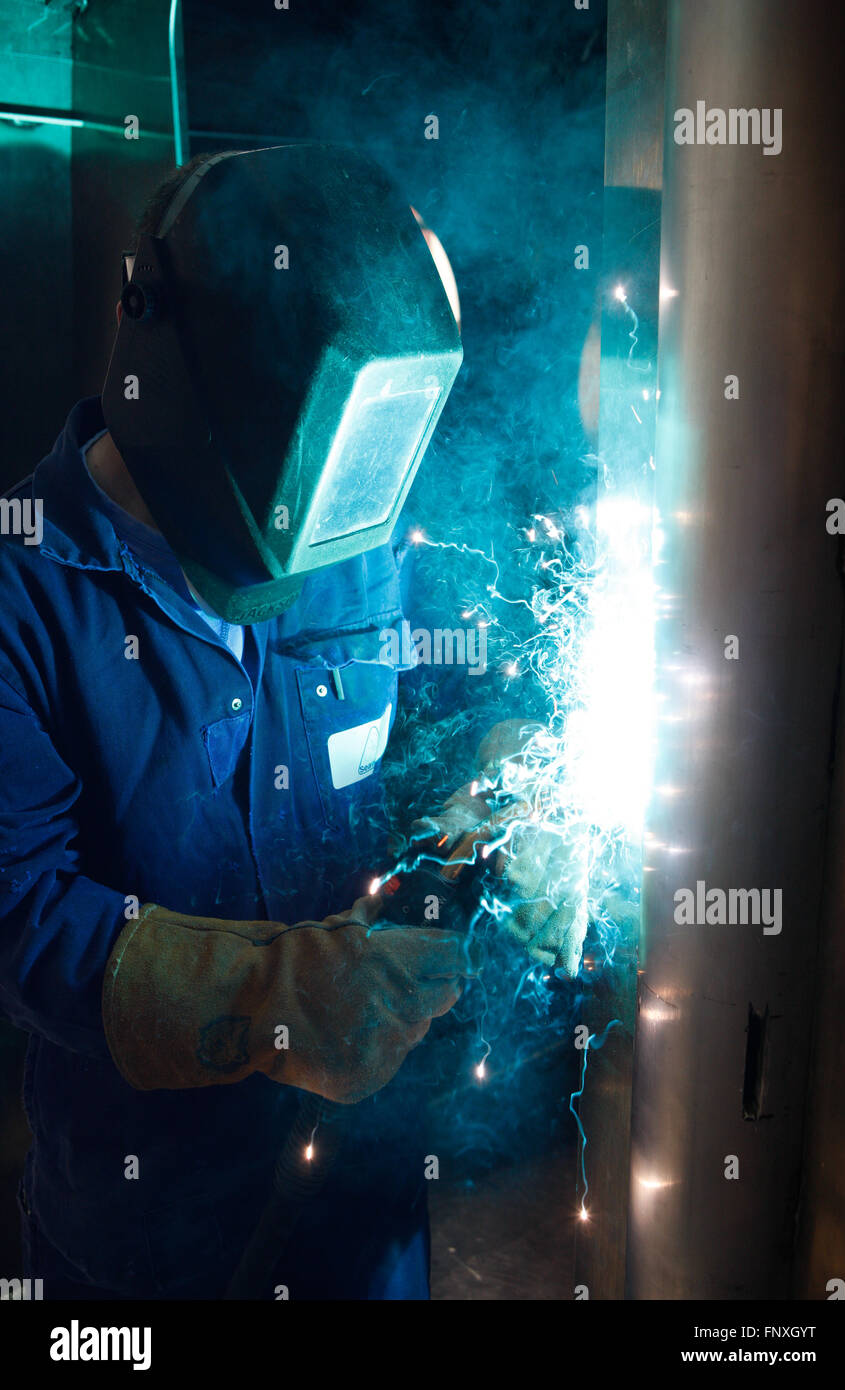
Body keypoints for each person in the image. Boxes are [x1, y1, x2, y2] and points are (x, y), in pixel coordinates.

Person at [0, 144, 478, 1301]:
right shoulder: (23, 593)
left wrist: (482, 795)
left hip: (357, 1220)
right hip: (146, 1247)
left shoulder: (360, 530)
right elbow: (21, 912)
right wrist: (272, 1000)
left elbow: (430, 728)